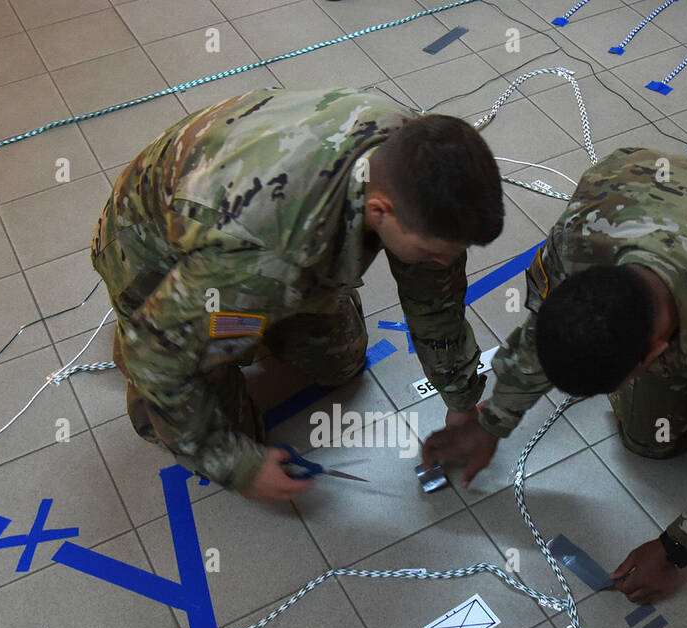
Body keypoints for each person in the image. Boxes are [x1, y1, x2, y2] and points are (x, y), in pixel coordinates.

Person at [421, 147, 687, 604]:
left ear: (654, 353)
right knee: (648, 439)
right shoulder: (580, 240)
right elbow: (545, 334)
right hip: (676, 189)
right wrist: (492, 424)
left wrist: (676, 548)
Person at [91, 88, 504, 502]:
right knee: (208, 413)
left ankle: (248, 315)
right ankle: (152, 324)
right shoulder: (265, 254)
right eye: (432, 253)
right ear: (380, 211)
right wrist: (238, 466)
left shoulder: (416, 158)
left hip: (257, 236)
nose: (441, 262)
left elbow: (436, 299)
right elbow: (154, 352)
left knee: (341, 361)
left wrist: (462, 402)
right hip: (152, 248)